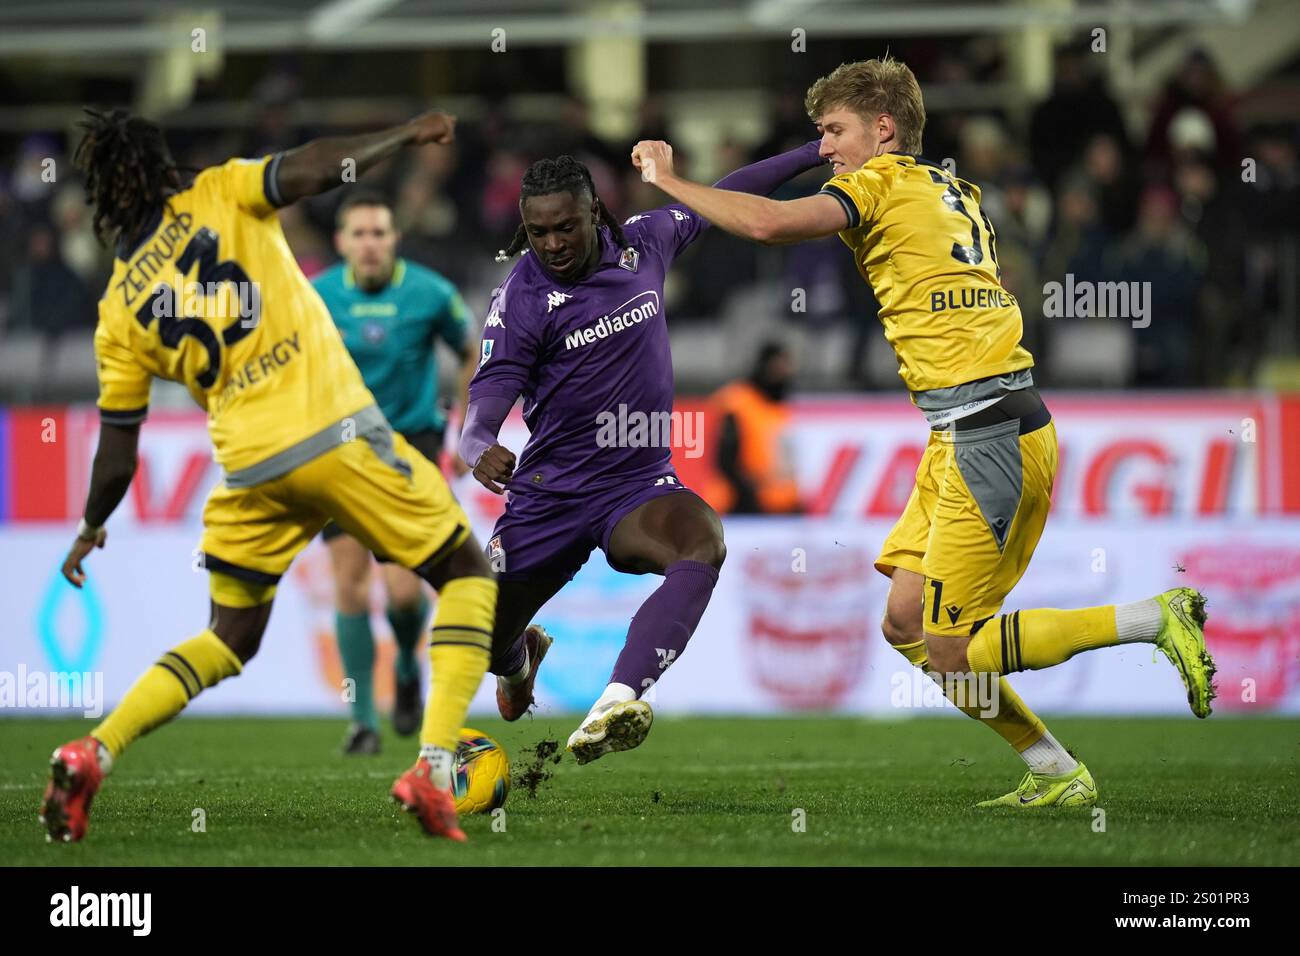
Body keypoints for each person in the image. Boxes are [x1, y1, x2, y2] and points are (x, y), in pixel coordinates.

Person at [631, 55, 1217, 807]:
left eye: (834, 132)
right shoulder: (953, 188)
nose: (825, 150)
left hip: (990, 433)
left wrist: (670, 185)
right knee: (906, 623)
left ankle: (1148, 618)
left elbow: (773, 222)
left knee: (952, 646)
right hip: (963, 430)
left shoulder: (878, 181)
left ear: (883, 131)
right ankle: (1054, 771)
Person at [43, 107, 495, 843]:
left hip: (251, 468)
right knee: (470, 575)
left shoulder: (118, 308)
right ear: (162, 168)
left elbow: (118, 452)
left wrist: (91, 528)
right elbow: (317, 163)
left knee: (228, 637)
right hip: (337, 433)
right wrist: (404, 135)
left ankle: (93, 749)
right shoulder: (222, 191)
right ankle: (432, 766)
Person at [460, 145, 825, 763]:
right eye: (538, 232)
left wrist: (818, 151)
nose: (552, 244)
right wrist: (480, 449)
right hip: (551, 497)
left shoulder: (646, 242)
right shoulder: (519, 301)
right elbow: (481, 411)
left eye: (565, 227)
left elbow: (729, 191)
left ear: (595, 212)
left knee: (702, 542)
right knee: (482, 636)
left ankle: (617, 699)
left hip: (637, 486)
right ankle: (519, 658)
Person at [312, 191, 478, 754]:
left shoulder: (430, 293)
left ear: (394, 240)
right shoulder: (316, 296)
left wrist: (464, 432)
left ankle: (407, 664)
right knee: (350, 583)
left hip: (412, 449)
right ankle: (362, 721)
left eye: (379, 233)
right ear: (341, 242)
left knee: (405, 593)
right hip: (343, 451)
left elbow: (473, 351)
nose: (370, 244)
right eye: (358, 234)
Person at [706, 341, 800, 515]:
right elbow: (725, 461)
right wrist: (750, 499)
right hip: (740, 506)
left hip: (776, 506)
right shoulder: (737, 402)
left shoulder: (777, 406)